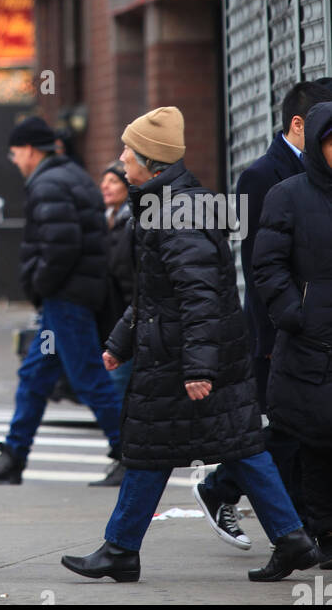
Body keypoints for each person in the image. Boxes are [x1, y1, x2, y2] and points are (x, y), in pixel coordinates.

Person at [61, 106, 320, 584]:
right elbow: (156, 294)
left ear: (151, 162)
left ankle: (123, 548)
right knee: (191, 448)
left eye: (127, 152)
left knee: (201, 448)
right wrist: (121, 342)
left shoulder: (178, 212)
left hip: (191, 360)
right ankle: (289, 539)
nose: (120, 159)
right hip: (180, 355)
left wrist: (199, 367)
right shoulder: (166, 203)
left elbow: (200, 295)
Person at [194, 77, 332, 551]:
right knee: (288, 430)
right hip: (280, 333)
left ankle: (300, 528)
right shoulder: (260, 176)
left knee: (300, 431)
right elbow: (261, 266)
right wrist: (285, 324)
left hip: (317, 332)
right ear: (301, 125)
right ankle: (224, 492)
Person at [0, 116, 122, 488]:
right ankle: (13, 457)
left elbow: (59, 248)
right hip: (65, 299)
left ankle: (129, 452)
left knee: (88, 378)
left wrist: (37, 285)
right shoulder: (69, 176)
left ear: (32, 150)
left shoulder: (50, 183)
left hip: (65, 299)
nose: (14, 160)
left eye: (16, 152)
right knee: (35, 376)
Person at [253, 99, 332, 570]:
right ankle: (321, 531)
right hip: (309, 345)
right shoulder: (287, 194)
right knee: (317, 443)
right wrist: (292, 312)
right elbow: (267, 264)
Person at [97, 160, 134, 409]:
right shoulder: (103, 221)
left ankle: (120, 440)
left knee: (119, 381)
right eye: (104, 180)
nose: (105, 186)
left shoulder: (133, 221)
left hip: (129, 315)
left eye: (113, 181)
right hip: (108, 316)